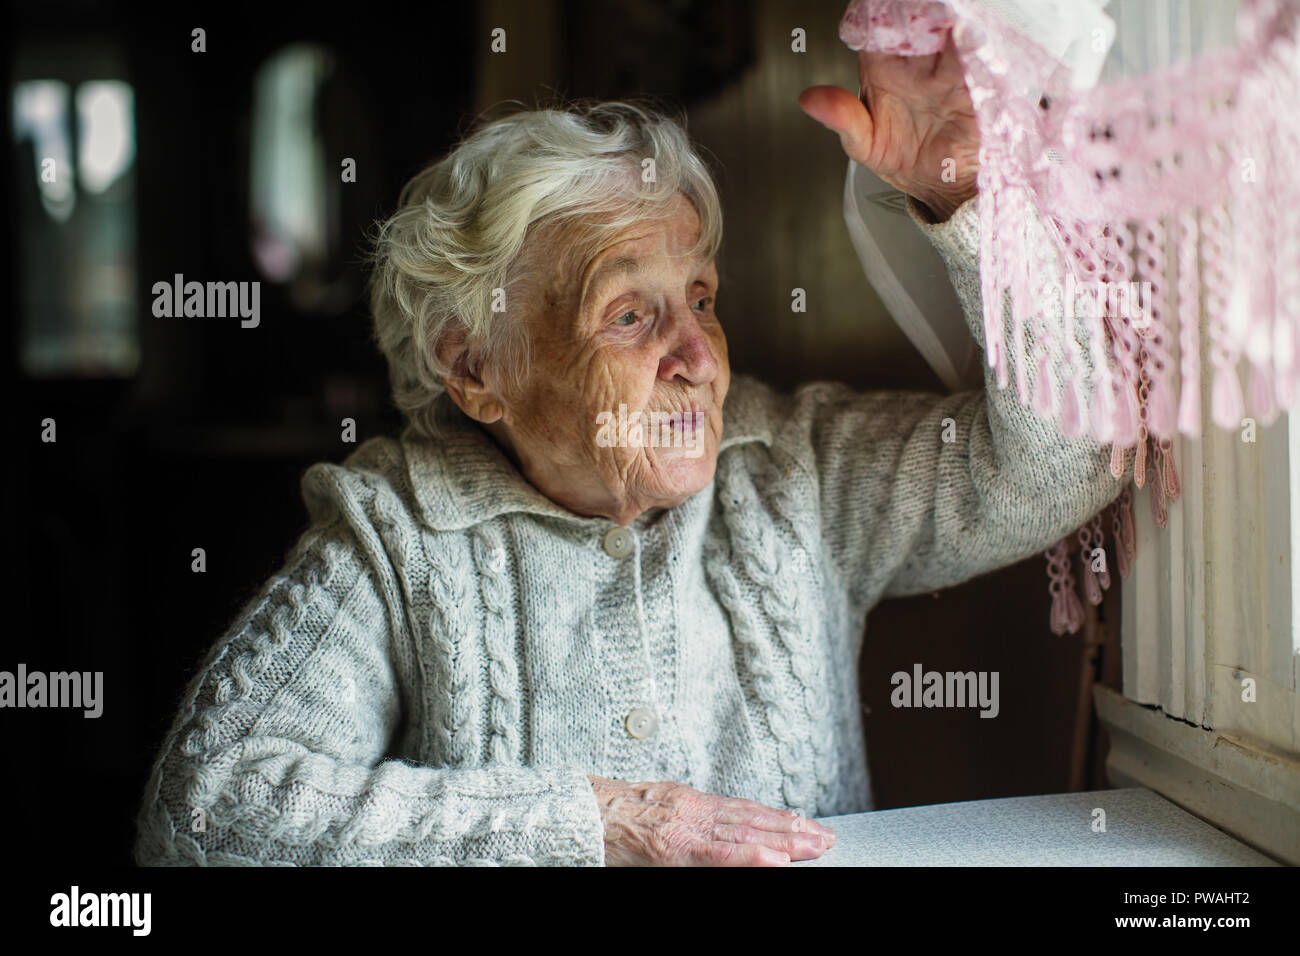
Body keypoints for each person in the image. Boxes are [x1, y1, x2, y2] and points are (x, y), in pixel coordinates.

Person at [133, 31, 1125, 866]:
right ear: (476, 364)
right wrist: (592, 819)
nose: (697, 353)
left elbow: (1062, 462)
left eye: (699, 297)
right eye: (628, 314)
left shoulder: (789, 472)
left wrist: (966, 200)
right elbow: (206, 806)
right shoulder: (398, 532)